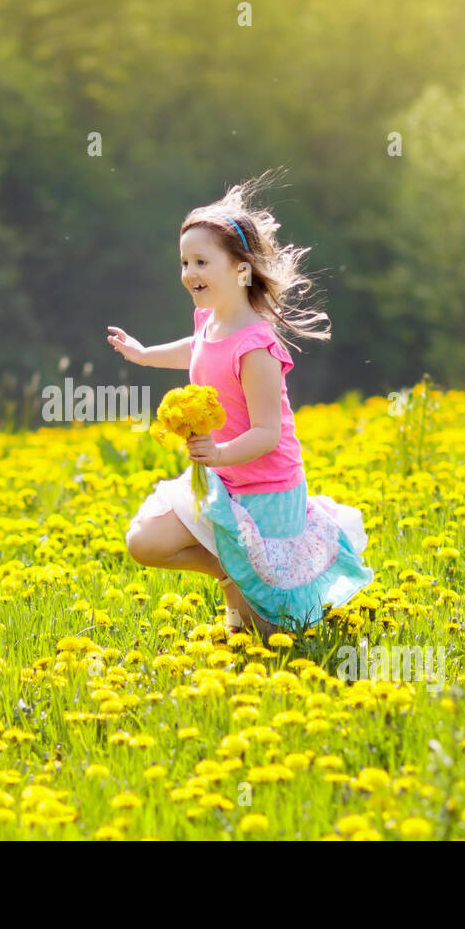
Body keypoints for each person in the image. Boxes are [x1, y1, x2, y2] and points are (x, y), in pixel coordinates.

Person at [108, 170, 374, 639]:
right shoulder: (208, 321)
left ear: (240, 268)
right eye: (185, 262)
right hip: (222, 479)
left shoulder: (256, 349)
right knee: (143, 542)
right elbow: (196, 348)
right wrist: (144, 355)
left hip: (266, 491)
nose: (189, 273)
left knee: (271, 638)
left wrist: (220, 454)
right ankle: (230, 572)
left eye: (202, 262)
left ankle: (253, 590)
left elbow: (268, 433)